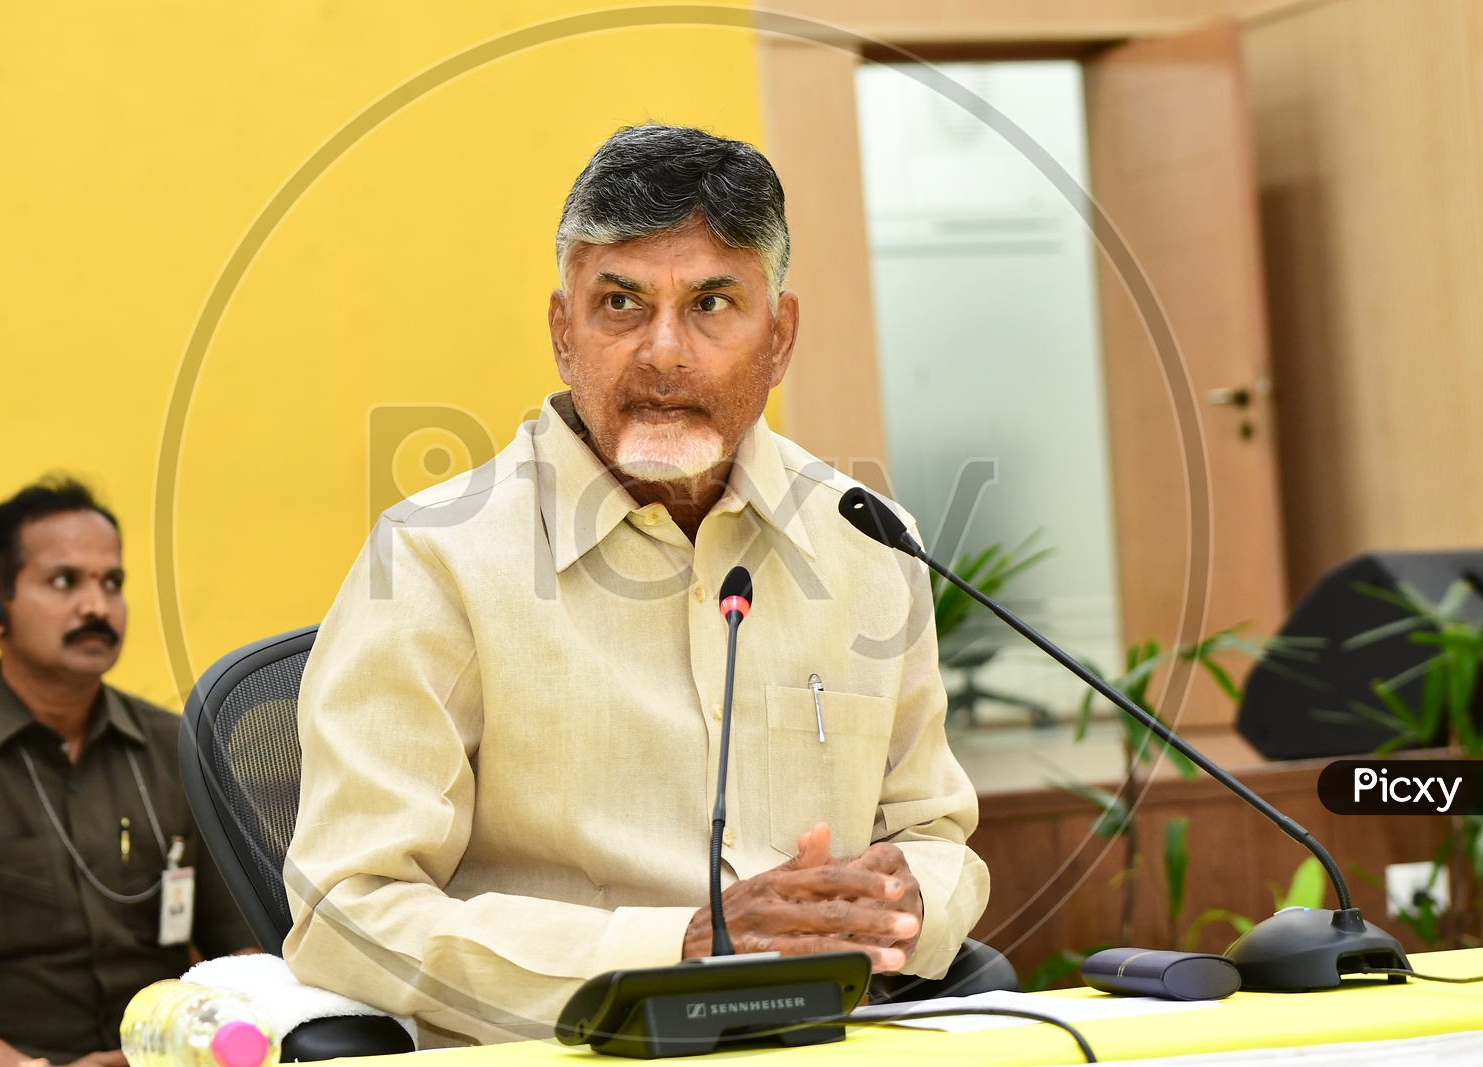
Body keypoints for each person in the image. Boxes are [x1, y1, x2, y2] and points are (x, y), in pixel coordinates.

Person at [283, 124, 990, 1046]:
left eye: (711, 303)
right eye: (620, 302)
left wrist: (901, 899)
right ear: (562, 332)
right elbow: (347, 911)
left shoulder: (867, 540)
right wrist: (680, 948)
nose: (664, 351)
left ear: (778, 340)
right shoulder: (433, 558)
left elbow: (938, 836)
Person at [0, 478, 256, 1067]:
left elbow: (246, 951)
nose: (96, 607)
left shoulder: (179, 751)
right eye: (64, 581)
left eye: (112, 583)